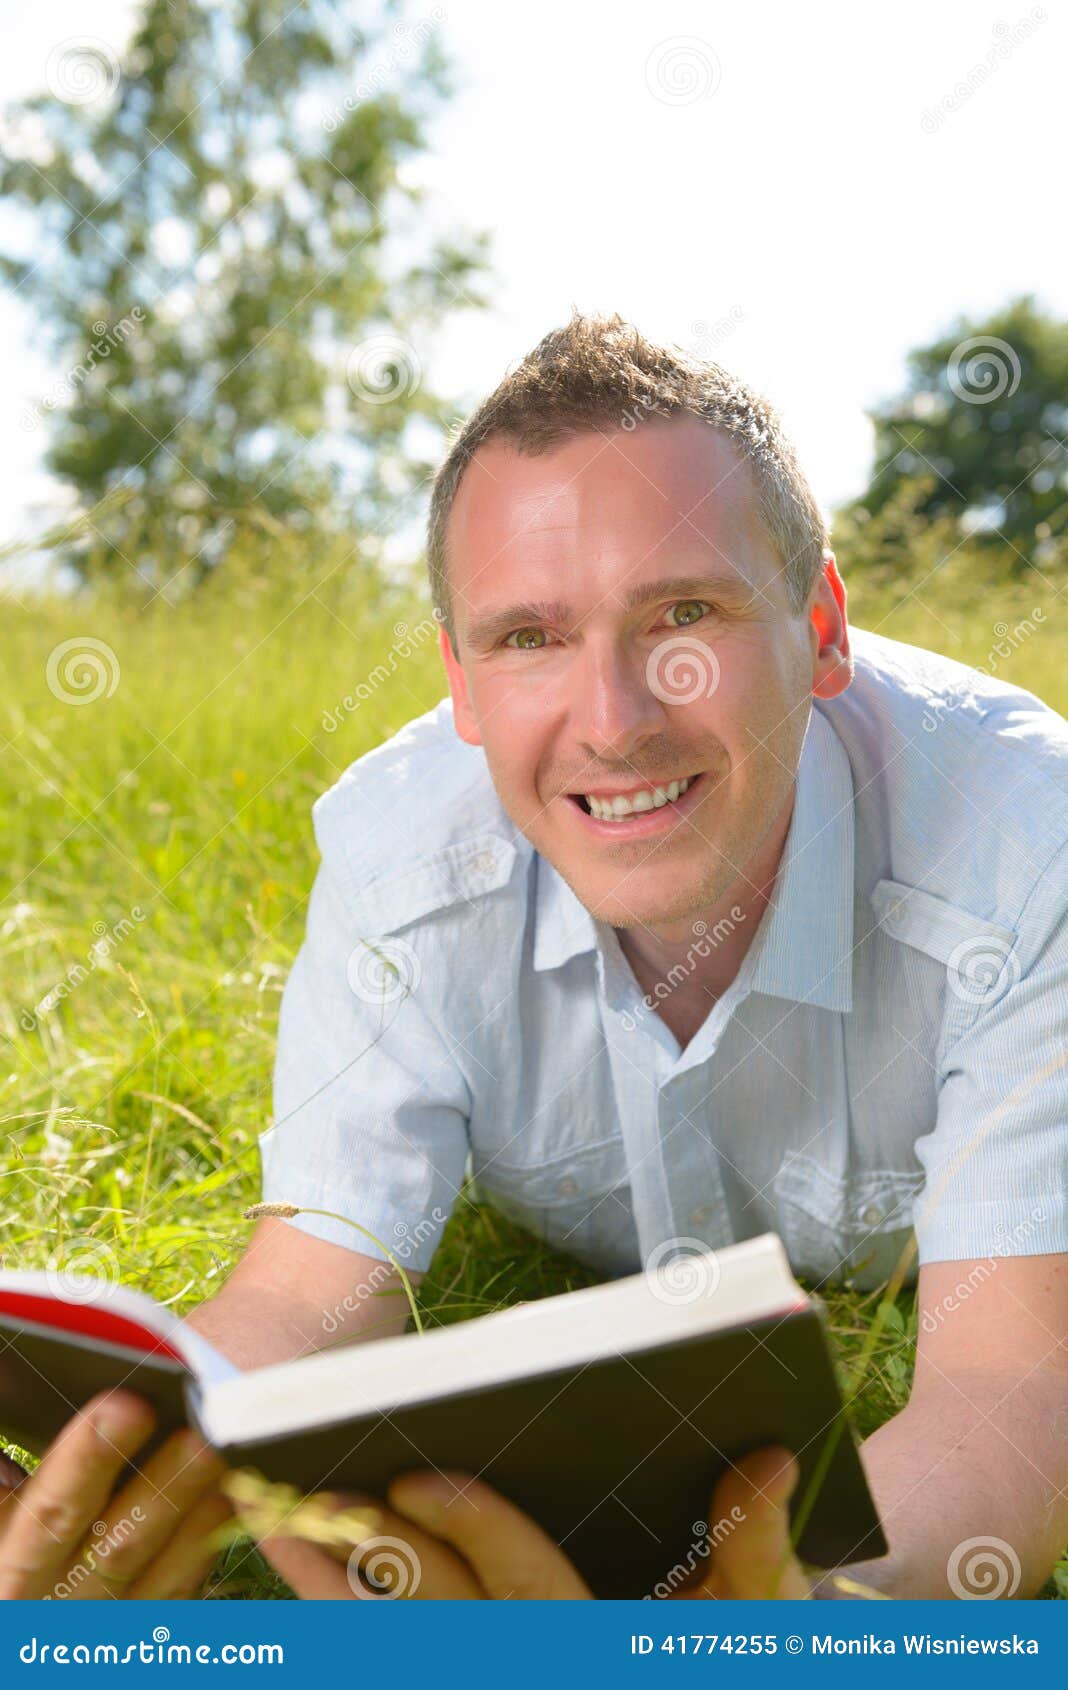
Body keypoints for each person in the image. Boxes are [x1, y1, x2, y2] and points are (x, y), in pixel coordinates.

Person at [4, 313, 1066, 1600]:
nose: (613, 722)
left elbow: (1012, 1384)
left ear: (822, 623)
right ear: (457, 677)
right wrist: (115, 1488)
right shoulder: (402, 860)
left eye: (685, 612)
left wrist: (794, 1625)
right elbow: (306, 1291)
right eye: (528, 638)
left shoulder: (1025, 847)